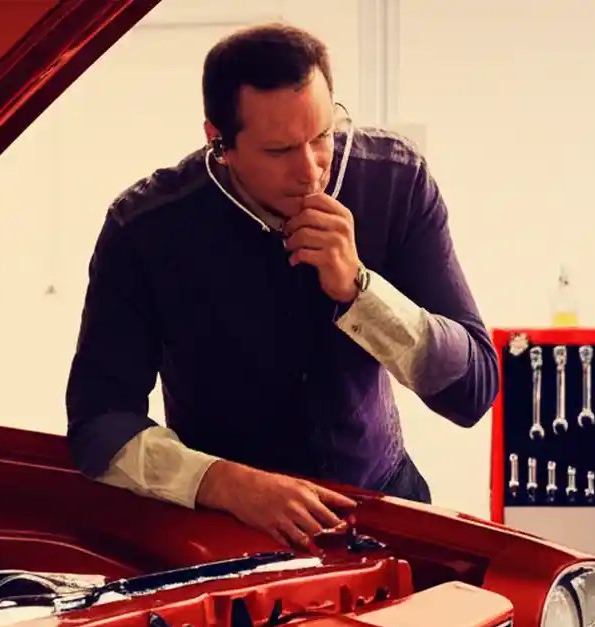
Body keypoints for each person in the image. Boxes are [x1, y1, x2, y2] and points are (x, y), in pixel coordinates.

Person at [64, 23, 498, 550]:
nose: (311, 169)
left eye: (322, 135)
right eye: (279, 150)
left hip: (384, 511)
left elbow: (473, 390)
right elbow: (99, 425)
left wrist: (360, 291)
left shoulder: (395, 182)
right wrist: (226, 484)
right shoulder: (144, 230)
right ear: (218, 141)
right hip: (224, 535)